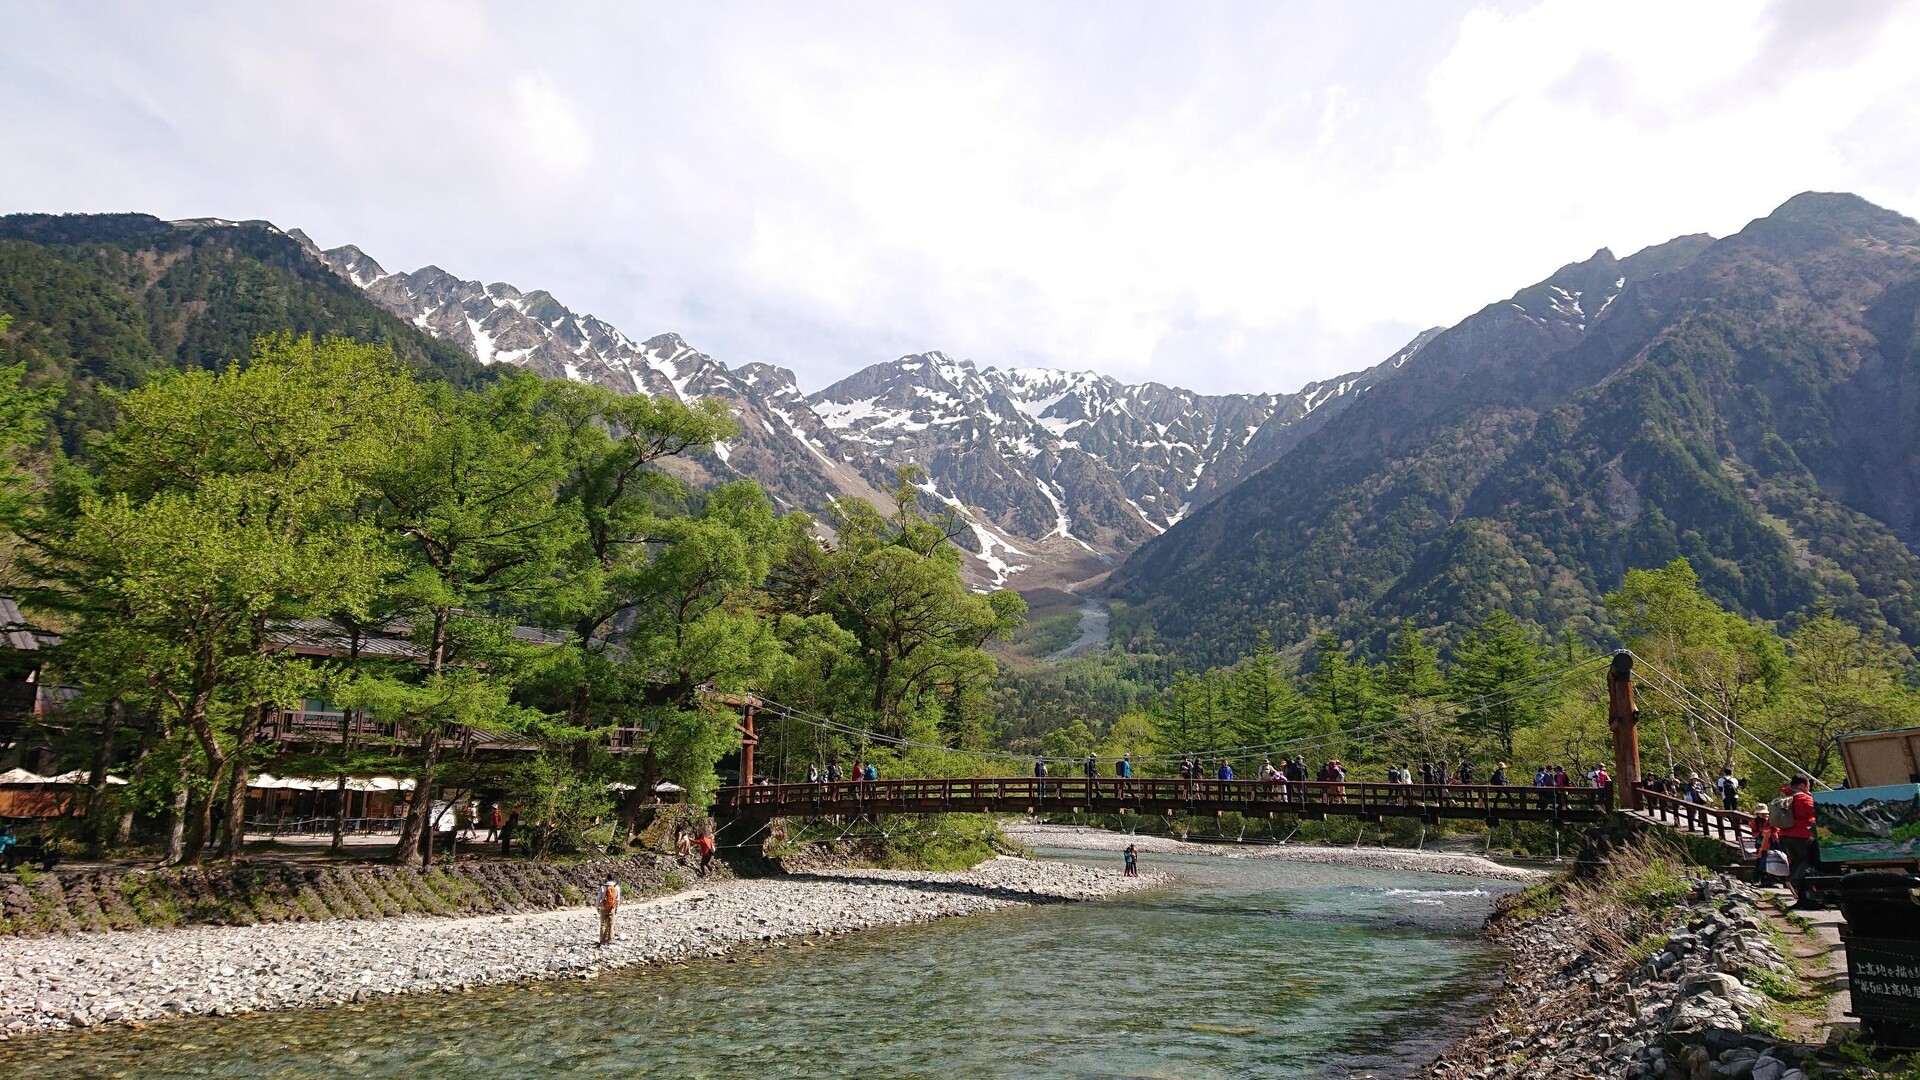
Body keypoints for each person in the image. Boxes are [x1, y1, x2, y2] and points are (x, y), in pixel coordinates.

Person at [1772, 775, 1819, 907]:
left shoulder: (1786, 797)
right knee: (1808, 863)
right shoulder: (1803, 798)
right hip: (1802, 835)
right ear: (1803, 785)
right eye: (1808, 786)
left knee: (1798, 862)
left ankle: (1799, 893)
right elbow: (1818, 811)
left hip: (1786, 835)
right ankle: (1807, 897)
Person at [598, 877, 621, 946]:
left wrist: (597, 908)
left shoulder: (603, 887)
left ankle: (602, 940)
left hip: (603, 907)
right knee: (611, 924)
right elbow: (618, 899)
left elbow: (598, 898)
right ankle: (610, 939)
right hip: (612, 908)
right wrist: (616, 908)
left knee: (603, 924)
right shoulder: (616, 887)